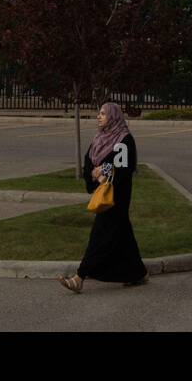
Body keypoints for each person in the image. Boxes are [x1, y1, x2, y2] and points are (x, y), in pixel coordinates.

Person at [58, 102, 147, 292]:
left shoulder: (124, 139)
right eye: (98, 113)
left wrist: (104, 170)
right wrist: (94, 174)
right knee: (123, 235)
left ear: (113, 116)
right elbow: (88, 162)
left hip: (117, 197)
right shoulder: (99, 139)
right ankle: (137, 272)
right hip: (104, 191)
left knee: (100, 235)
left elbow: (124, 167)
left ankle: (79, 277)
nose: (99, 117)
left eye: (103, 114)